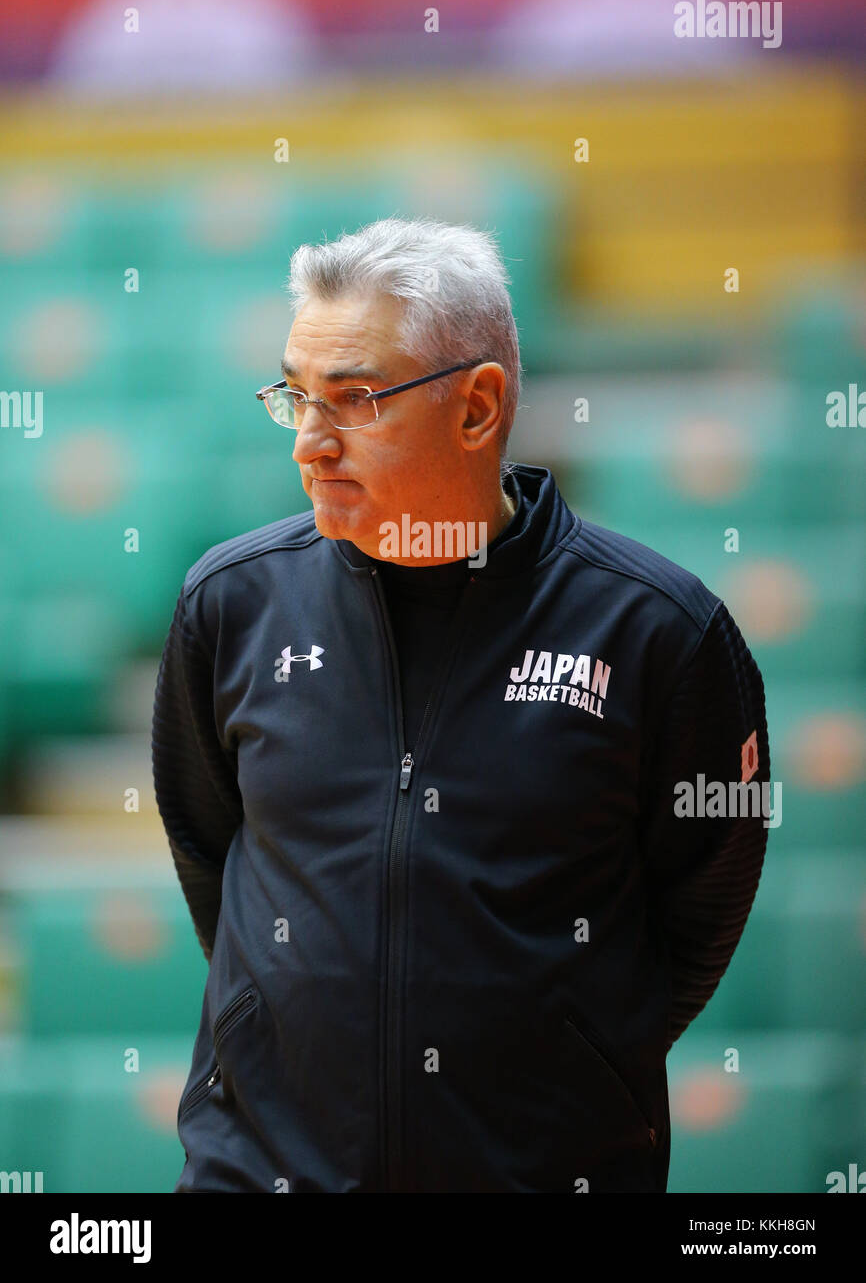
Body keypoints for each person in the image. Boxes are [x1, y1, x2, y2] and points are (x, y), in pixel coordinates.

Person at [152, 216, 769, 1193]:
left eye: (351, 400)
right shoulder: (229, 605)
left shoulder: (659, 632)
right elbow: (210, 850)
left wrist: (567, 1054)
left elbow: (700, 902)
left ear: (478, 408)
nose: (310, 443)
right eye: (295, 397)